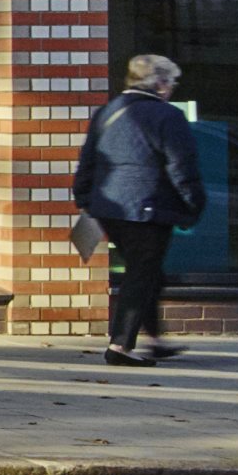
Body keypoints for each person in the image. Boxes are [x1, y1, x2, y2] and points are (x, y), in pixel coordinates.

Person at [77, 52, 207, 364]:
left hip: (109, 206)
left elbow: (89, 161)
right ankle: (120, 346)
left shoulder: (107, 111)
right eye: (172, 82)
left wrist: (85, 199)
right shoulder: (167, 116)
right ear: (160, 84)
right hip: (147, 209)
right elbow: (181, 166)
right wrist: (194, 205)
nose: (173, 88)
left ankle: (155, 339)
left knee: (148, 272)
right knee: (141, 274)